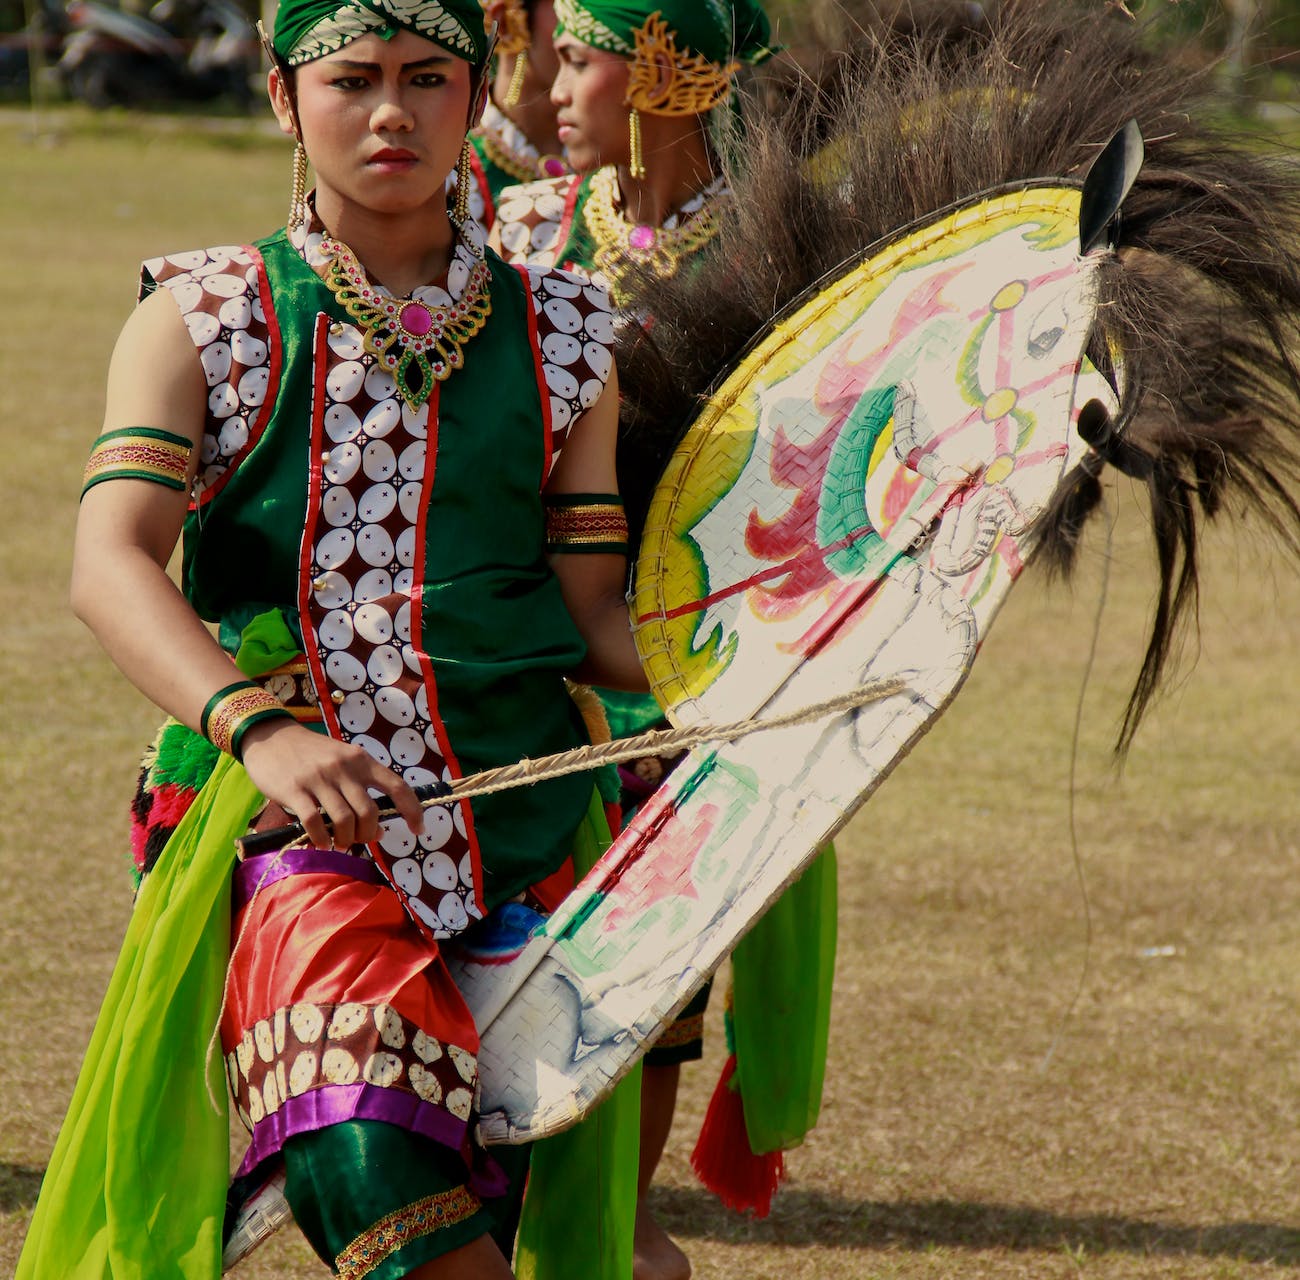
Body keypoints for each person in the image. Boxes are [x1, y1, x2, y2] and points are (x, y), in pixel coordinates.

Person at [17, 0, 651, 1276]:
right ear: (279, 97)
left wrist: (786, 656)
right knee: (359, 1158)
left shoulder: (573, 335)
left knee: (520, 1203)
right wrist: (259, 729)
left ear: (477, 97)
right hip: (300, 836)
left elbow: (595, 615)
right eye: (351, 77)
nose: (389, 112)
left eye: (428, 79)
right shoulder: (207, 315)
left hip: (522, 823)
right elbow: (110, 561)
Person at [490, 5, 836, 1279]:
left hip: (689, 671)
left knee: (648, 982)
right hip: (529, 656)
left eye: (580, 56)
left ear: (671, 73)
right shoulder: (517, 230)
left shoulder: (780, 247)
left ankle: (621, 1232)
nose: (549, 81)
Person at [461, 0, 571, 229]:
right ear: (506, 20)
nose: (585, 30)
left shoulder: (618, 157)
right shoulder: (454, 173)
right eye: (570, 4)